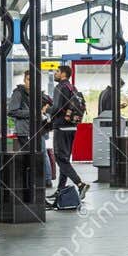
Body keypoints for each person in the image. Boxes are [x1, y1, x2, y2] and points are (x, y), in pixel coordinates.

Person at [44, 63, 89, 206]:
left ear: (63, 74)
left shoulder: (60, 87)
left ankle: (80, 184)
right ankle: (60, 190)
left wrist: (47, 109)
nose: (55, 74)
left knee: (61, 159)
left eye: (57, 71)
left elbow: (56, 108)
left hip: (61, 128)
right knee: (65, 160)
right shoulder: (72, 87)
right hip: (72, 128)